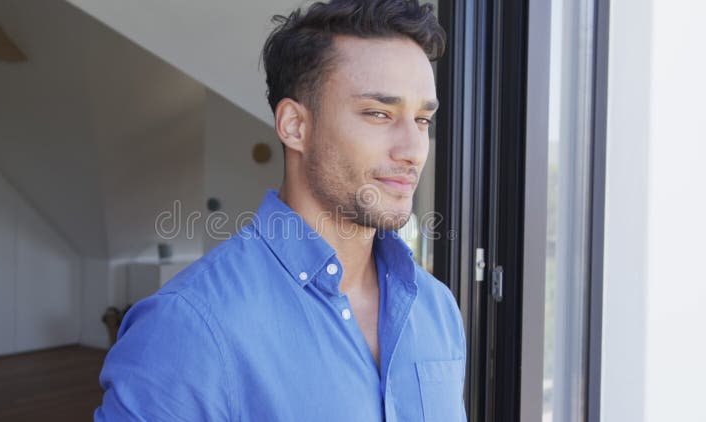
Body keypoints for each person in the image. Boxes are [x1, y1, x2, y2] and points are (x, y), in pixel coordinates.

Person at [95, 0, 466, 420]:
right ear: (294, 126)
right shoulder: (186, 328)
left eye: (422, 120)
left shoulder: (437, 308)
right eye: (379, 114)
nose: (414, 150)